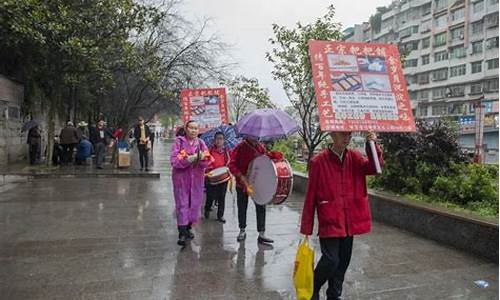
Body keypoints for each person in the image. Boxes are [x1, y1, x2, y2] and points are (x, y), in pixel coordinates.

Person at [300, 131, 384, 300]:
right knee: (331, 260)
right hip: (330, 219)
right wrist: (307, 227)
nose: (347, 138)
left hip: (350, 220)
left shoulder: (354, 157)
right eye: (343, 134)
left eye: (349, 135)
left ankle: (334, 294)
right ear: (332, 135)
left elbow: (375, 168)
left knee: (343, 261)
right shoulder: (318, 162)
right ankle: (312, 287)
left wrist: (372, 144)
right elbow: (310, 196)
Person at [170, 120, 212, 246]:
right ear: (186, 129)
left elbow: (209, 160)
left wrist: (201, 158)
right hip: (181, 179)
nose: (193, 130)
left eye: (196, 128)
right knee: (182, 204)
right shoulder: (179, 142)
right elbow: (174, 160)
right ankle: (182, 233)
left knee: (194, 204)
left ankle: (188, 228)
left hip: (197, 179)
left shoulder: (201, 143)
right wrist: (188, 159)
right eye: (191, 128)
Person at [228, 137, 274, 245]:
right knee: (242, 207)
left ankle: (261, 234)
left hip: (256, 184)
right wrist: (241, 176)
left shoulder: (260, 147)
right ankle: (242, 230)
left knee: (261, 206)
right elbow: (231, 165)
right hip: (242, 183)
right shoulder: (240, 147)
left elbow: (264, 163)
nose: (255, 137)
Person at [204, 132, 231, 223]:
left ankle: (220, 215)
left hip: (223, 177)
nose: (219, 141)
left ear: (224, 140)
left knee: (222, 197)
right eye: (217, 139)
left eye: (221, 139)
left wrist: (227, 167)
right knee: (210, 196)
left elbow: (229, 162)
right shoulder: (210, 151)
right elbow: (205, 163)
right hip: (211, 177)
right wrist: (209, 168)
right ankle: (207, 209)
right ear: (214, 140)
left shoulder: (226, 151)